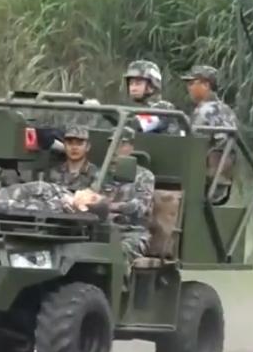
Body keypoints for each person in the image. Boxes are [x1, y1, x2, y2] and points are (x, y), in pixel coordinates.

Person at [181, 64, 239, 202]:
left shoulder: (208, 110)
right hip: (215, 179)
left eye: (192, 83)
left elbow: (219, 147)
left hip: (206, 180)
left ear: (206, 85)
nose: (189, 88)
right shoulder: (223, 109)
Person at [101, 127, 155, 269]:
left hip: (131, 233)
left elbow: (140, 207)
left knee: (119, 254)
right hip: (102, 231)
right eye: (112, 144)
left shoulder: (144, 176)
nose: (115, 149)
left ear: (131, 147)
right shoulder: (100, 175)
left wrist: (112, 206)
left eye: (121, 144)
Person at [122, 59, 182, 135]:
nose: (133, 88)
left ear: (152, 86)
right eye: (131, 84)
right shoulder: (139, 109)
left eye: (138, 83)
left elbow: (136, 126)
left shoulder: (163, 108)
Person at [44, 124, 99, 191]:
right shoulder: (54, 172)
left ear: (87, 147)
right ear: (64, 146)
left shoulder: (95, 174)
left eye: (79, 144)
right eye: (70, 143)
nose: (74, 147)